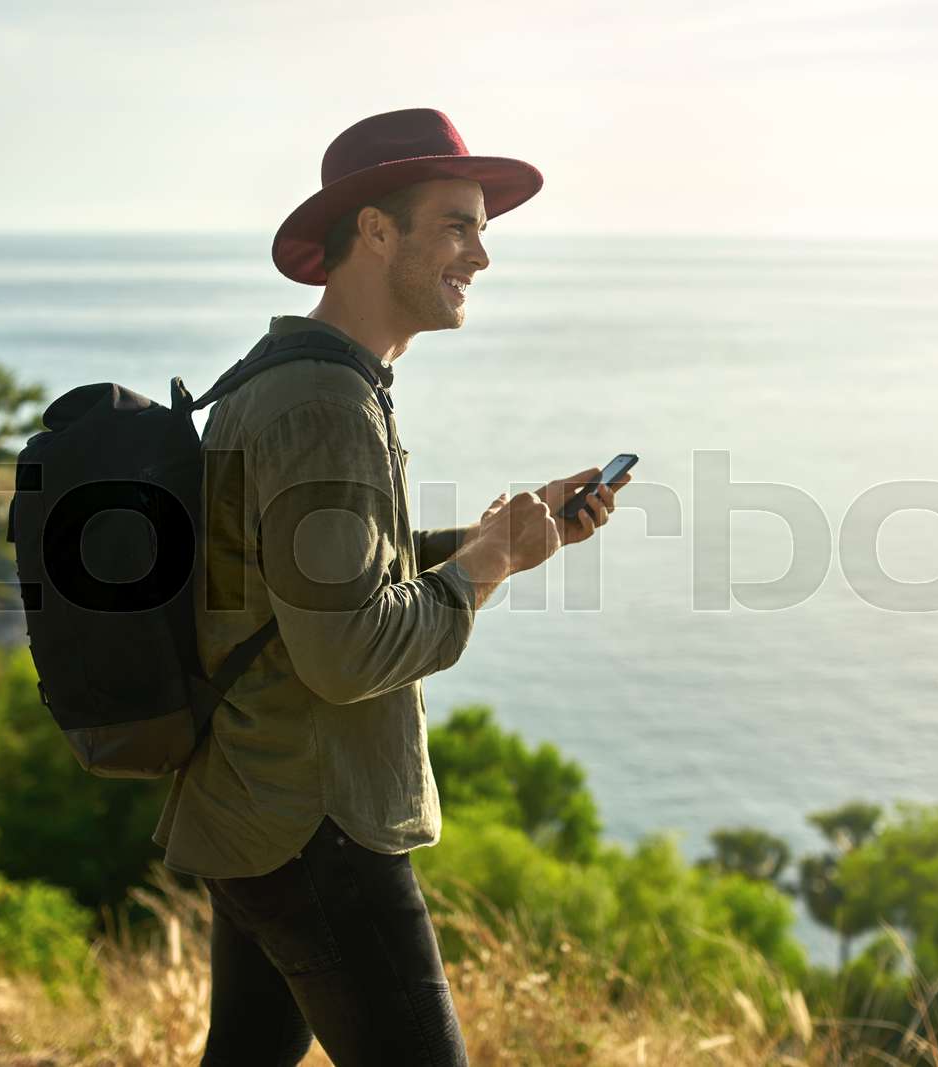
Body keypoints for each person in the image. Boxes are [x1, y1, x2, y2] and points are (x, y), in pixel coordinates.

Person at [151, 108, 632, 1066]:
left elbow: (313, 579)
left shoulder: (292, 378)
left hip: (256, 795)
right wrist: (486, 567)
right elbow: (348, 652)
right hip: (315, 821)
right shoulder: (326, 403)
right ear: (375, 230)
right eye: (457, 226)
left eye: (481, 230)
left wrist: (490, 539)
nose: (481, 256)